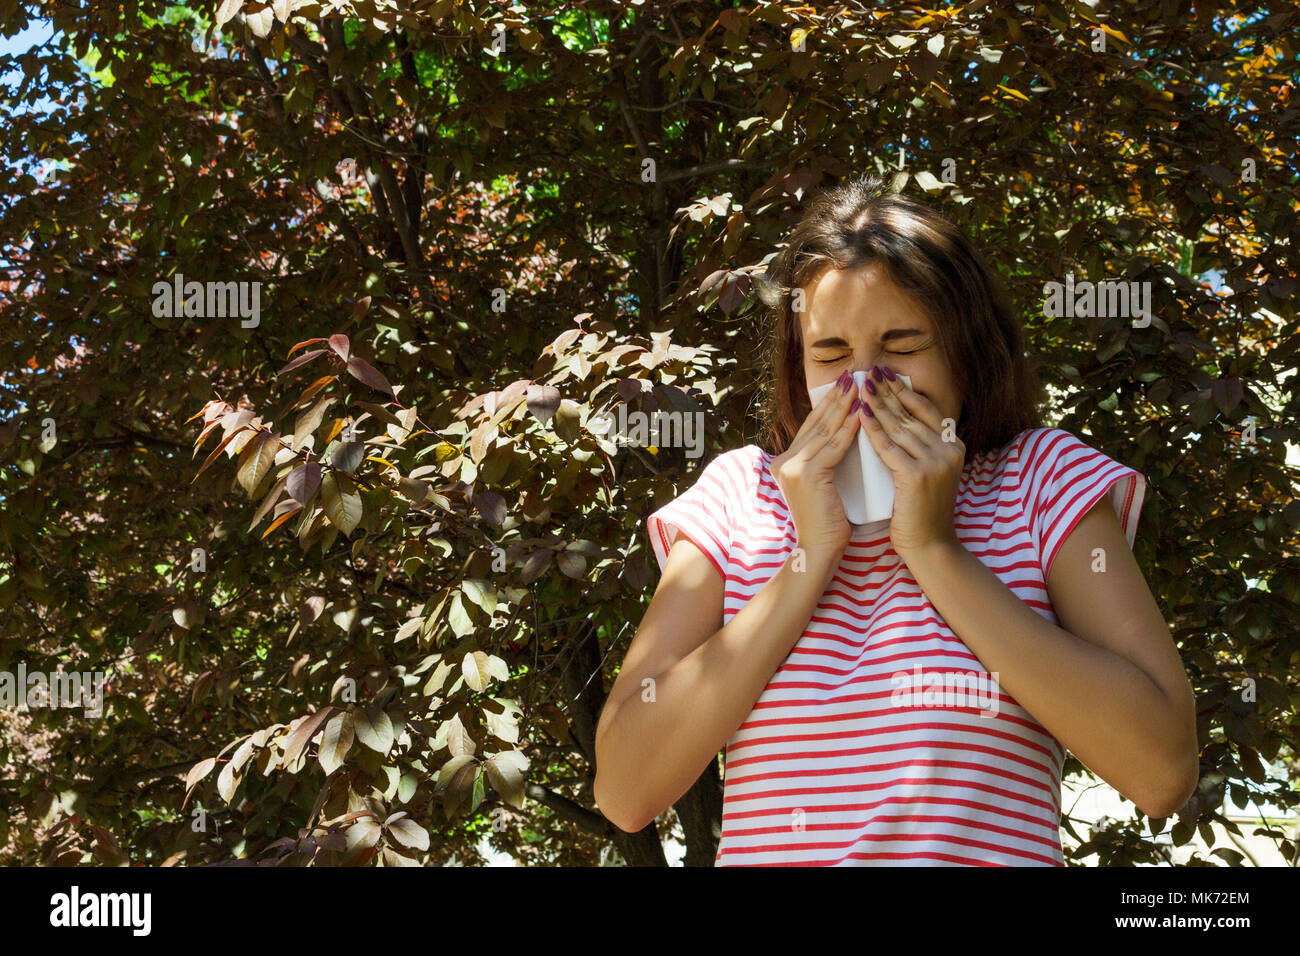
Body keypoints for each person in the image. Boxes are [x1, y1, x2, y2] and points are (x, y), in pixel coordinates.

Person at [593, 175, 1199, 866]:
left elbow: (1161, 772)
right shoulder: (739, 496)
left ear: (967, 354)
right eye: (830, 354)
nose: (865, 384)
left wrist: (934, 550)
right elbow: (625, 791)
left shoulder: (1041, 480)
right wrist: (811, 556)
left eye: (902, 345)